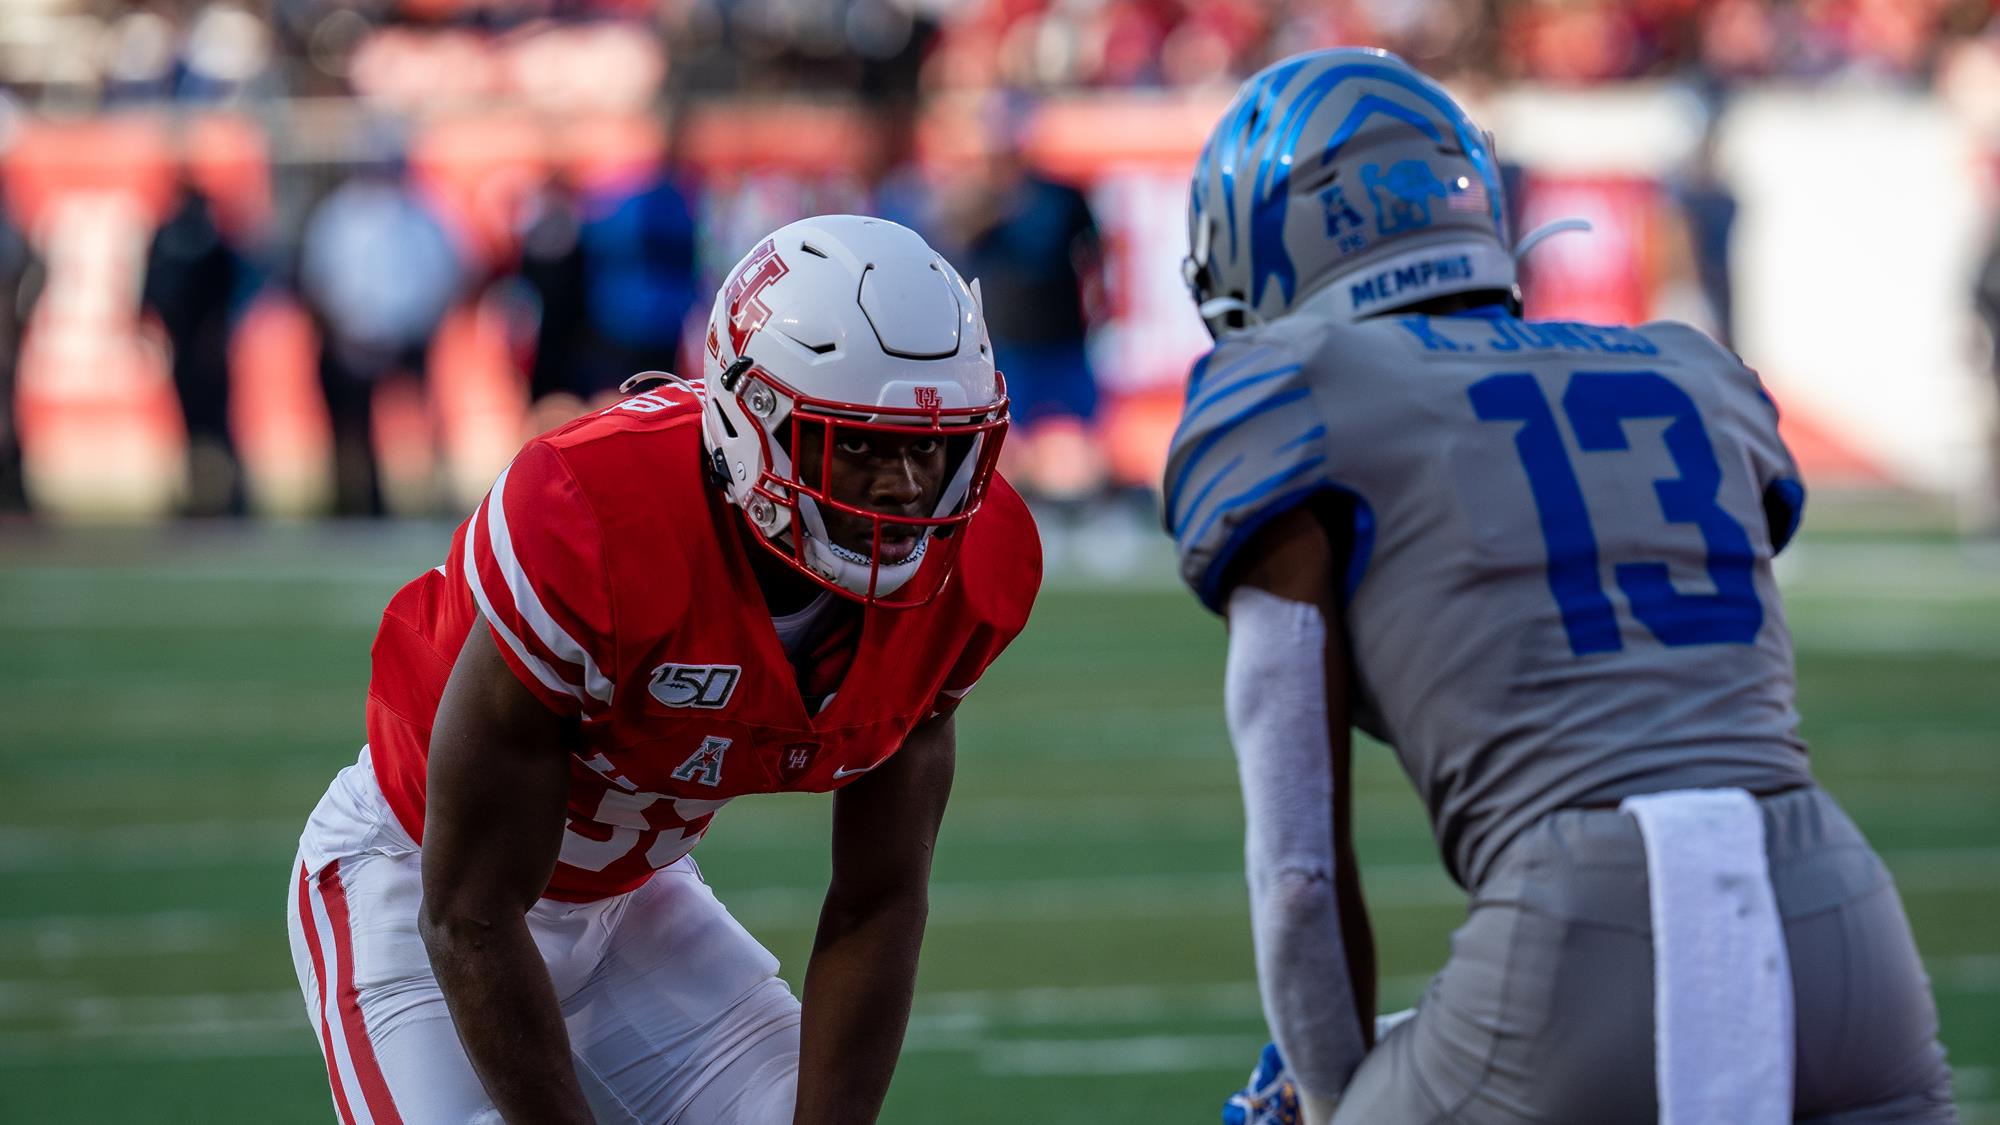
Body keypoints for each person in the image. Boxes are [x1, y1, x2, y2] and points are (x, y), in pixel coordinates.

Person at [1166, 48, 1956, 1125]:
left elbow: (1299, 875)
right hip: (1841, 925)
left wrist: (1330, 1103)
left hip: (1587, 925)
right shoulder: (1685, 369)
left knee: (1285, 1102)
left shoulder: (1297, 400)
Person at [284, 215, 1039, 1124]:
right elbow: (469, 913)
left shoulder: (969, 574)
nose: (906, 488)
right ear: (752, 420)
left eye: (932, 446)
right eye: (862, 445)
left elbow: (879, 898)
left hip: (634, 901)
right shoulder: (595, 517)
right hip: (413, 883)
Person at [143, 175, 248, 517]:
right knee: (199, 426)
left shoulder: (204, 243)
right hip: (193, 347)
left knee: (214, 426)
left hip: (203, 348)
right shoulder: (194, 242)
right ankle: (206, 494)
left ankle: (222, 493)